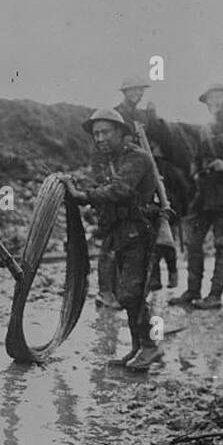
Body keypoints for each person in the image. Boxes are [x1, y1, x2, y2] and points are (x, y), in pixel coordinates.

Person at [62, 108, 163, 371]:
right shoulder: (106, 160)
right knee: (122, 293)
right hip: (118, 232)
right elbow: (103, 189)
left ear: (121, 133)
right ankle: (137, 346)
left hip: (138, 233)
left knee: (133, 293)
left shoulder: (136, 158)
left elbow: (120, 189)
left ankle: (151, 346)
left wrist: (83, 196)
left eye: (106, 132)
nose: (100, 138)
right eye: (96, 134)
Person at [171, 83, 223, 309]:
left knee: (222, 245)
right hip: (204, 195)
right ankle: (192, 291)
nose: (214, 103)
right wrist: (195, 170)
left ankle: (215, 296)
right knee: (193, 243)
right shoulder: (204, 129)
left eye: (218, 98)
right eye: (210, 99)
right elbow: (196, 157)